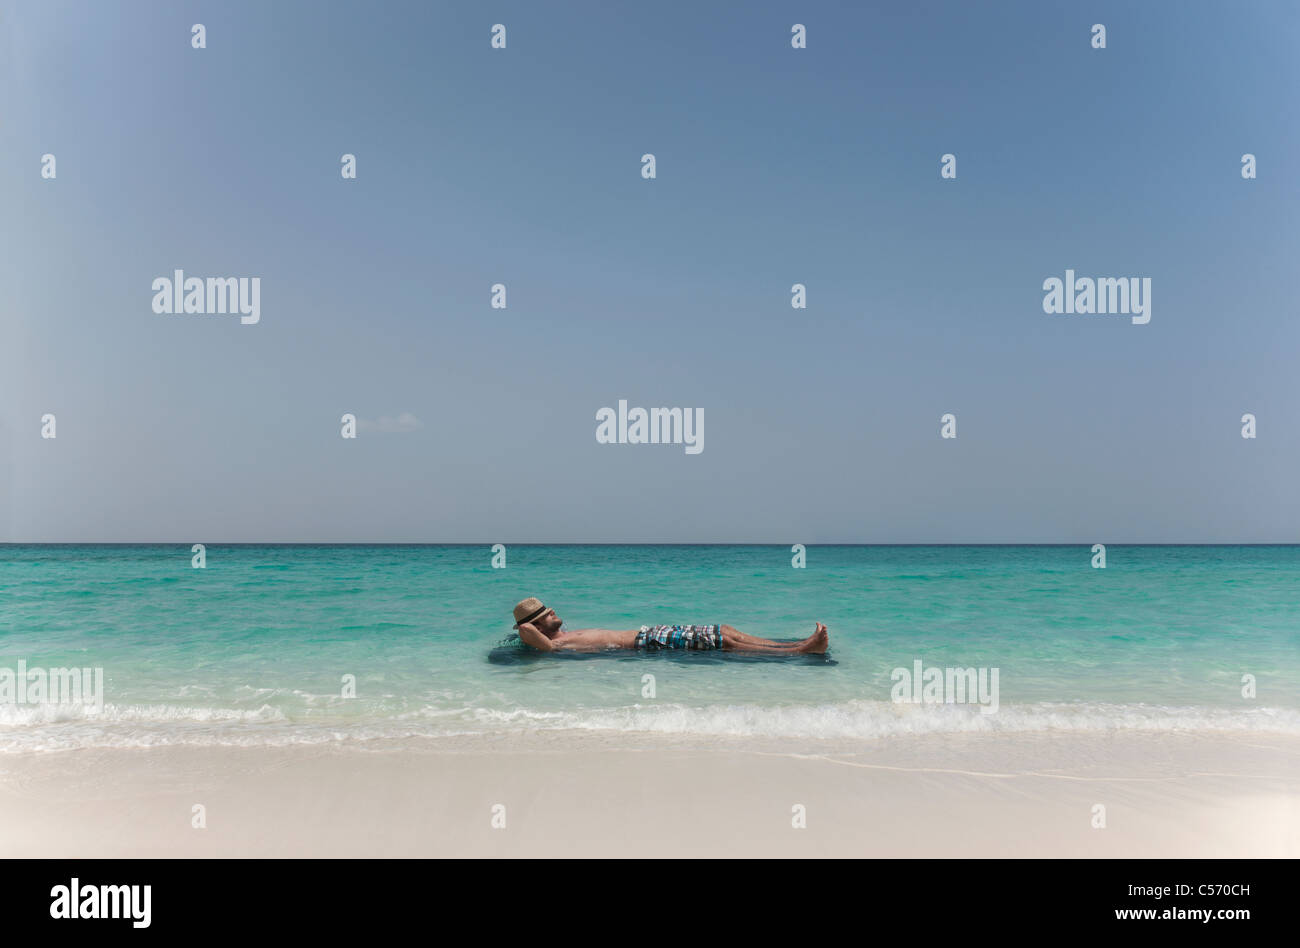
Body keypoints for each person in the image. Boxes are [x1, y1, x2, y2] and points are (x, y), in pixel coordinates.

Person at [510, 597, 829, 653]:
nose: (554, 613)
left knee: (725, 630)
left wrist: (533, 623)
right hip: (648, 645)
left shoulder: (566, 634)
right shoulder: (555, 644)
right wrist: (527, 627)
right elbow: (543, 645)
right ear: (536, 624)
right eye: (547, 614)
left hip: (652, 633)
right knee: (724, 644)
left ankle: (795, 644)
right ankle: (801, 651)